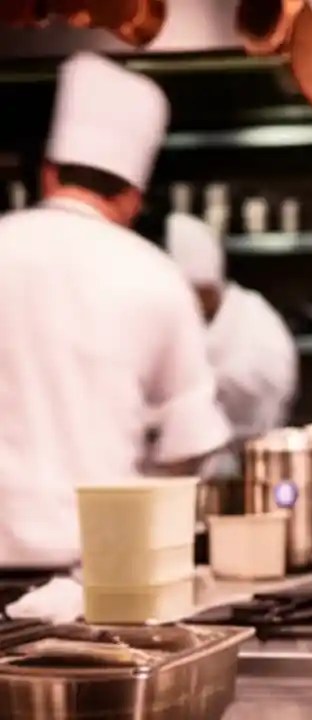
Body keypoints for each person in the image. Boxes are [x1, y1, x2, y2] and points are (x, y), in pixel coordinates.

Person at [0, 53, 231, 571]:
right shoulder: (155, 275)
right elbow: (191, 446)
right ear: (133, 198)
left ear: (48, 174)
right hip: (100, 573)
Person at [165, 212, 298, 444]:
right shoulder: (183, 317)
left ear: (211, 287)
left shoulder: (254, 320)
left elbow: (259, 391)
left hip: (249, 452)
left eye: (197, 292)